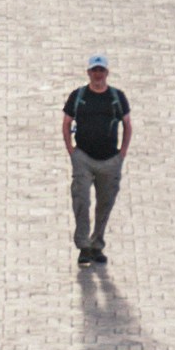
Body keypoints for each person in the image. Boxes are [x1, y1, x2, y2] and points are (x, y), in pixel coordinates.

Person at [62, 54, 131, 260]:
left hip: (110, 160)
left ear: (106, 73)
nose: (98, 75)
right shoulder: (78, 96)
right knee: (81, 199)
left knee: (105, 202)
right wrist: (72, 151)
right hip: (83, 157)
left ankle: (97, 243)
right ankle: (83, 245)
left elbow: (127, 124)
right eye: (94, 71)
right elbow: (66, 122)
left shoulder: (117, 97)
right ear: (89, 73)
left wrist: (122, 153)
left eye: (101, 71)